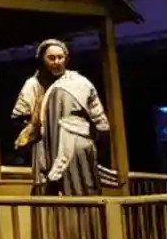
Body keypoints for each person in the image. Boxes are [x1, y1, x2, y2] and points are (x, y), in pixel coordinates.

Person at [13, 39, 110, 196]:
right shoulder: (33, 85)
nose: (57, 62)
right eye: (51, 58)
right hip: (43, 145)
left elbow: (100, 120)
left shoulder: (80, 83)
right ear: (42, 59)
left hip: (76, 145)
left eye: (60, 57)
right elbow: (20, 116)